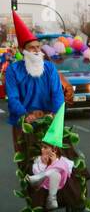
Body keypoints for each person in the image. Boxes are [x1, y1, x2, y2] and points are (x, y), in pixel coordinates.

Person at [6, 12, 65, 148]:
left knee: (53, 163)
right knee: (26, 163)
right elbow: (13, 98)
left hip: (49, 119)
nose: (37, 50)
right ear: (22, 50)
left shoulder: (49, 67)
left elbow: (57, 93)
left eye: (38, 47)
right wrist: (25, 115)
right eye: (32, 48)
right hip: (24, 121)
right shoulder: (13, 70)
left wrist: (55, 114)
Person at [26, 106, 74, 212]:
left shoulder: (62, 159)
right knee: (54, 173)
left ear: (54, 149)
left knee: (58, 169)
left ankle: (41, 179)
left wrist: (54, 162)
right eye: (42, 147)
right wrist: (42, 162)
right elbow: (35, 167)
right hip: (44, 184)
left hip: (61, 182)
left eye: (46, 148)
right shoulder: (39, 158)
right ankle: (52, 199)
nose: (43, 150)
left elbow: (67, 170)